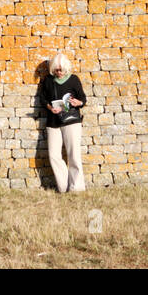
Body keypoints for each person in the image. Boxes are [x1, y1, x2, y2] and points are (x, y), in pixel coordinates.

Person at [37, 52, 87, 192]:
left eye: (62, 70)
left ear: (66, 68)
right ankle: (64, 187)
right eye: (56, 70)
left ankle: (77, 187)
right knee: (54, 155)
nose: (59, 72)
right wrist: (50, 108)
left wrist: (78, 102)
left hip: (71, 121)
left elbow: (83, 98)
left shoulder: (74, 80)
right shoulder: (48, 80)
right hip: (53, 122)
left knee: (74, 155)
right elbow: (43, 99)